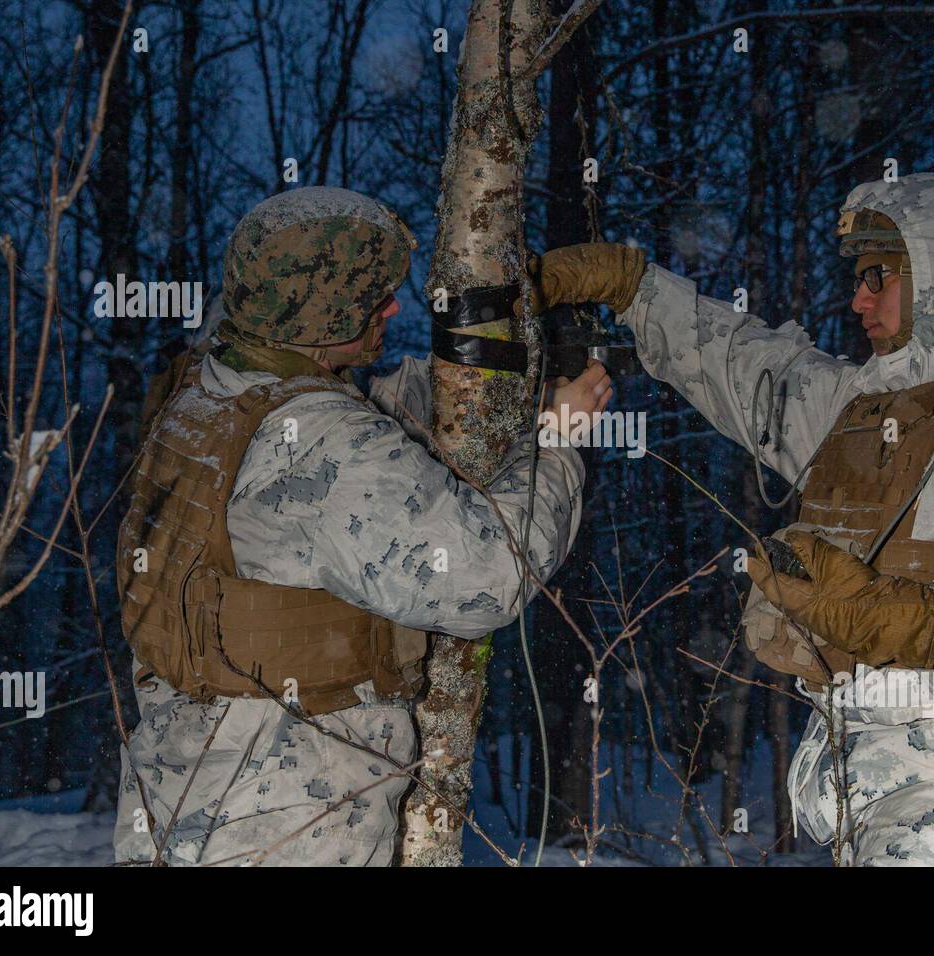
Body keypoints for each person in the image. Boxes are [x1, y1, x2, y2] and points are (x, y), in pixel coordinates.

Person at [526, 172, 934, 866]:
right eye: (858, 276)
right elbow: (744, 366)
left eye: (881, 274)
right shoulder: (856, 410)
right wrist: (630, 287)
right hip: (845, 789)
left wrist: (901, 618)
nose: (859, 298)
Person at [113, 186, 609, 866]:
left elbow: (347, 440)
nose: (394, 307)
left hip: (180, 788)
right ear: (324, 311)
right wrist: (559, 437)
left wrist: (475, 387)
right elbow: (486, 576)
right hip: (282, 819)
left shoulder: (206, 377)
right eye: (375, 298)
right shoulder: (319, 442)